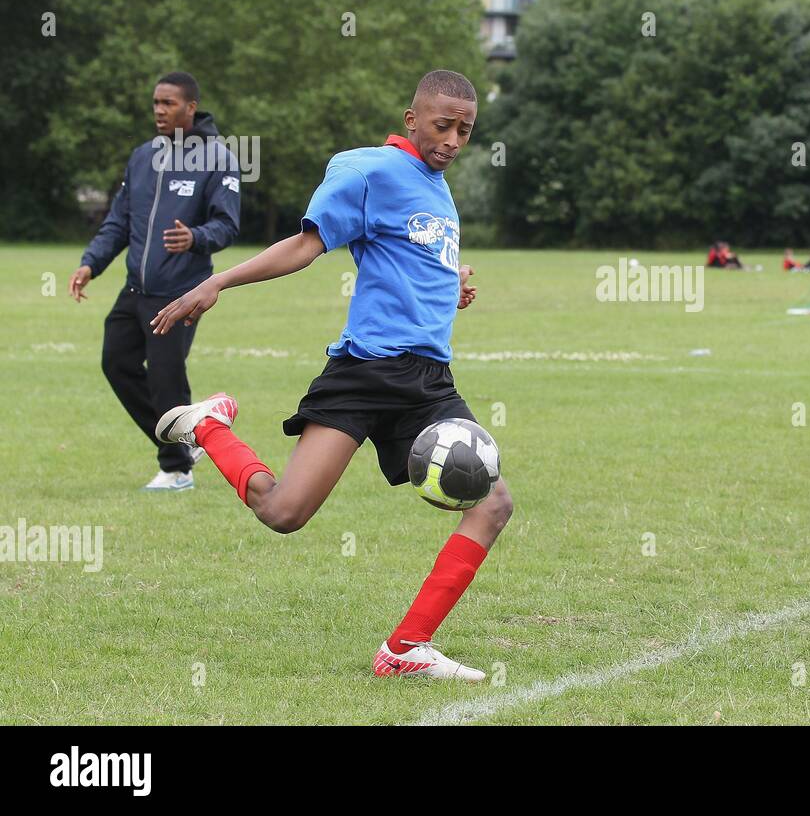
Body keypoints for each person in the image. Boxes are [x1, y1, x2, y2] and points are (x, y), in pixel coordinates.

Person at [149, 70, 510, 681]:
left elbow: (411, 261)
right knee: (283, 513)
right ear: (411, 119)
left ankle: (403, 651)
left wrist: (452, 285)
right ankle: (210, 427)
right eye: (442, 125)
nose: (452, 139)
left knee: (493, 502)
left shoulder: (439, 188)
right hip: (364, 373)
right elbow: (305, 246)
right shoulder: (367, 170)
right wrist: (217, 280)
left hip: (428, 382)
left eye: (465, 130)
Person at [70, 72, 240, 491]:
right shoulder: (142, 157)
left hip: (180, 291)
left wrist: (195, 238)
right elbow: (118, 222)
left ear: (190, 107)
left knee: (166, 379)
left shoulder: (217, 158)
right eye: (155, 103)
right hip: (135, 290)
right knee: (116, 362)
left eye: (168, 103)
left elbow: (227, 224)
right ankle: (188, 441)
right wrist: (91, 262)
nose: (159, 111)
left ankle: (177, 469)